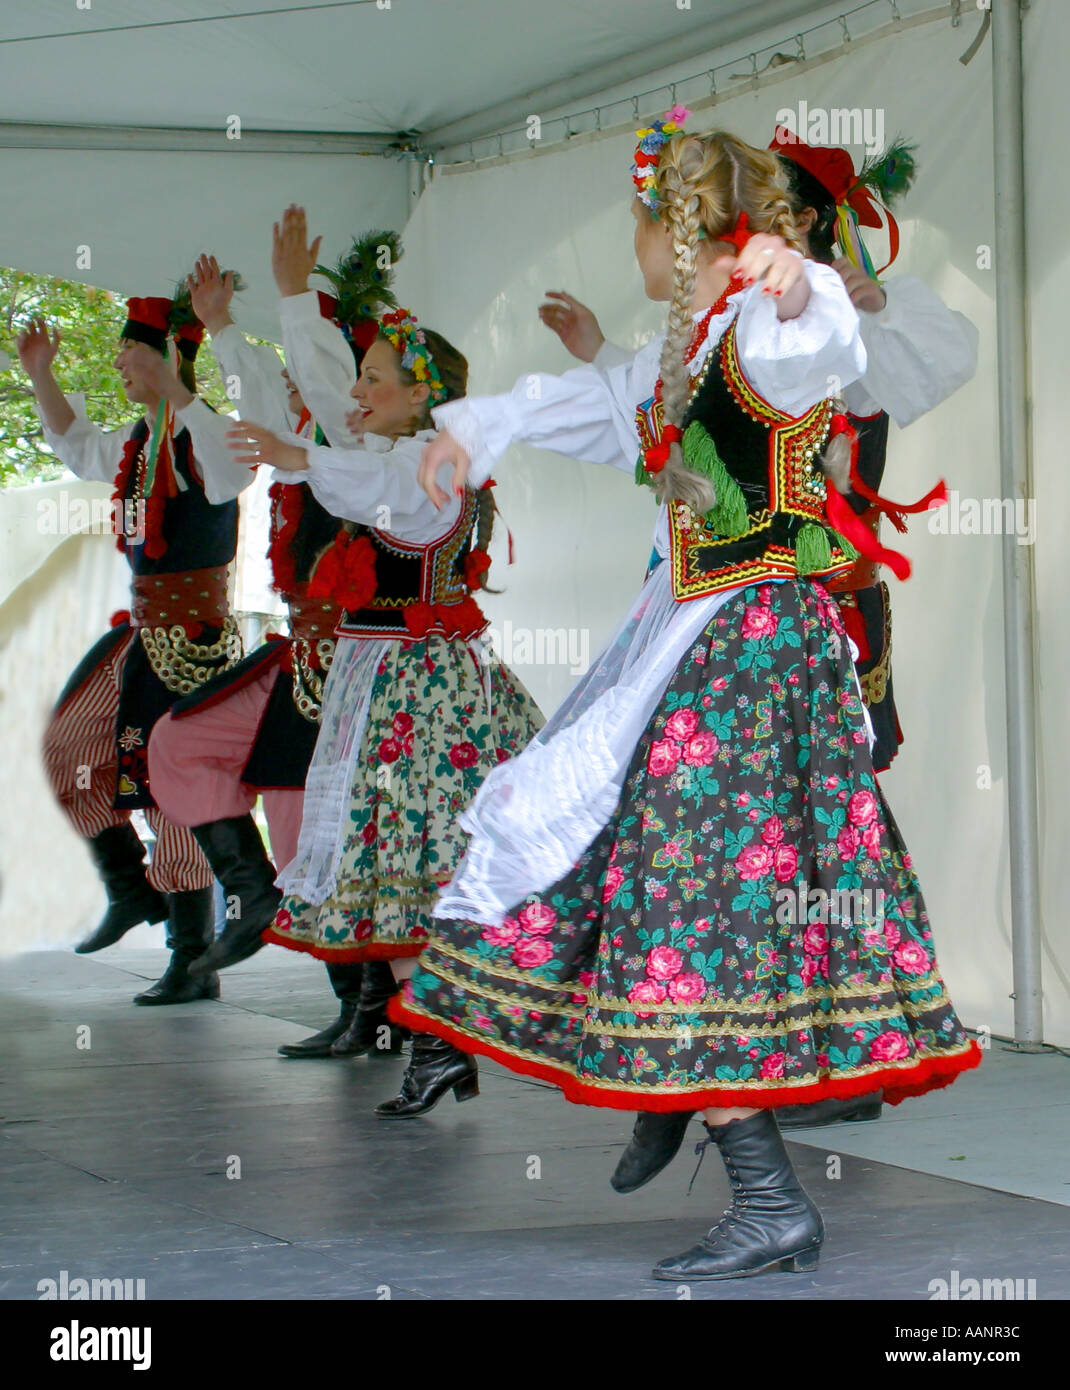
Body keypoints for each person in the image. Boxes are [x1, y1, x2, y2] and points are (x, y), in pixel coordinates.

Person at [396, 113, 981, 1280]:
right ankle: (673, 1090)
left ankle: (759, 1186)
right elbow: (587, 407)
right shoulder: (690, 346)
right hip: (696, 634)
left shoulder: (764, 329)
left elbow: (827, 350)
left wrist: (800, 279)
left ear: (678, 228)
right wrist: (475, 430)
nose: (633, 244)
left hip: (753, 653)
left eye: (640, 221)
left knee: (691, 898)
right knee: (639, 864)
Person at [538, 126, 978, 1140]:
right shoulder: (738, 318)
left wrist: (852, 295)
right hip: (713, 590)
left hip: (796, 598)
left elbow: (912, 365)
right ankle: (714, 1048)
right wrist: (601, 357)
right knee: (763, 828)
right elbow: (684, 414)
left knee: (819, 821)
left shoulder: (820, 318)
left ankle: (836, 1042)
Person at [223, 205, 544, 1113]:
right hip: (397, 681)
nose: (357, 392)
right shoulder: (401, 453)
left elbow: (354, 468)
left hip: (419, 692)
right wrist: (293, 301)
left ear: (419, 396)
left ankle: (447, 1034)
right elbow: (337, 416)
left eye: (376, 377)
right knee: (393, 864)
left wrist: (295, 452)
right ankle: (433, 1040)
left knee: (407, 859)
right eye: (361, 374)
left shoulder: (425, 470)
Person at [147, 242, 410, 1059]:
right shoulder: (299, 438)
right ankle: (255, 899)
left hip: (358, 672)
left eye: (357, 378)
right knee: (179, 741)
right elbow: (263, 393)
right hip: (303, 658)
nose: (327, 389)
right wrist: (222, 324)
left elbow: (321, 389)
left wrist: (295, 302)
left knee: (317, 833)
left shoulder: (362, 452)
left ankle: (371, 1008)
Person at [18, 293, 242, 1005]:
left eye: (131, 352)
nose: (119, 362)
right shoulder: (139, 443)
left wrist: (180, 381)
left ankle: (192, 953)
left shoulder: (209, 439)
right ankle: (129, 888)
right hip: (142, 634)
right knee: (66, 748)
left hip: (196, 645)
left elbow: (230, 474)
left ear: (169, 358)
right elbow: (79, 447)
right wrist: (42, 377)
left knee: (173, 790)